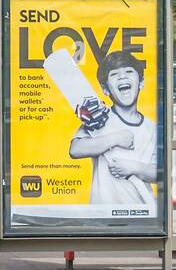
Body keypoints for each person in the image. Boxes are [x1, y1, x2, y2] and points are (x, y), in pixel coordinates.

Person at [68, 50, 159, 213]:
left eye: (129, 72)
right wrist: (116, 138)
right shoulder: (99, 117)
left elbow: (159, 173)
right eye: (115, 74)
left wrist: (134, 167)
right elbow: (76, 150)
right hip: (101, 212)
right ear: (105, 90)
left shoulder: (152, 128)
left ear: (142, 83)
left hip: (139, 211)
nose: (123, 77)